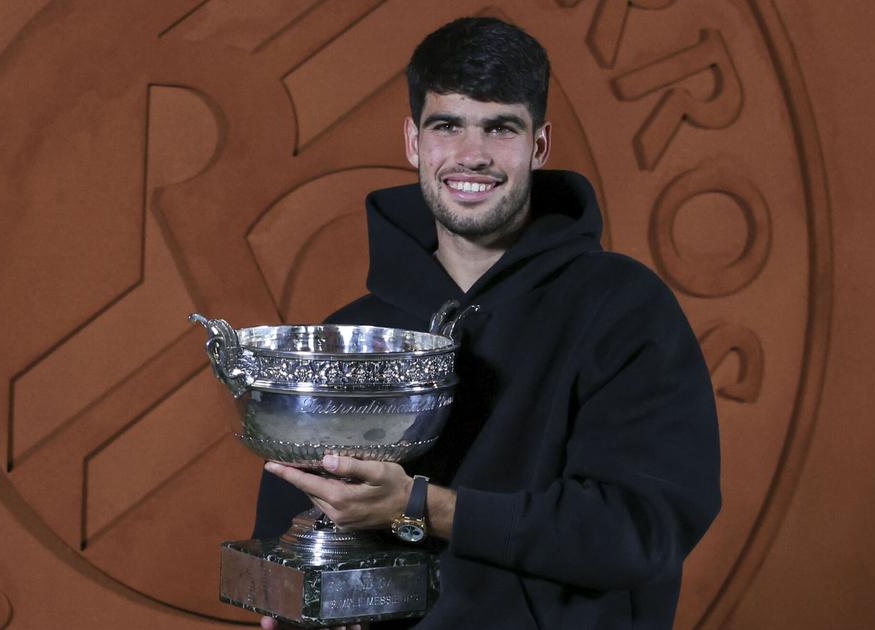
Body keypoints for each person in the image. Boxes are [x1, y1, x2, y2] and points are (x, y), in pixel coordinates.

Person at [254, 16, 721, 630]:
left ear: (539, 146)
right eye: (447, 125)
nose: (472, 155)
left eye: (501, 127)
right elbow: (293, 535)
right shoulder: (351, 336)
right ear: (414, 142)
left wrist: (420, 507)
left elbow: (640, 531)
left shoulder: (623, 307)